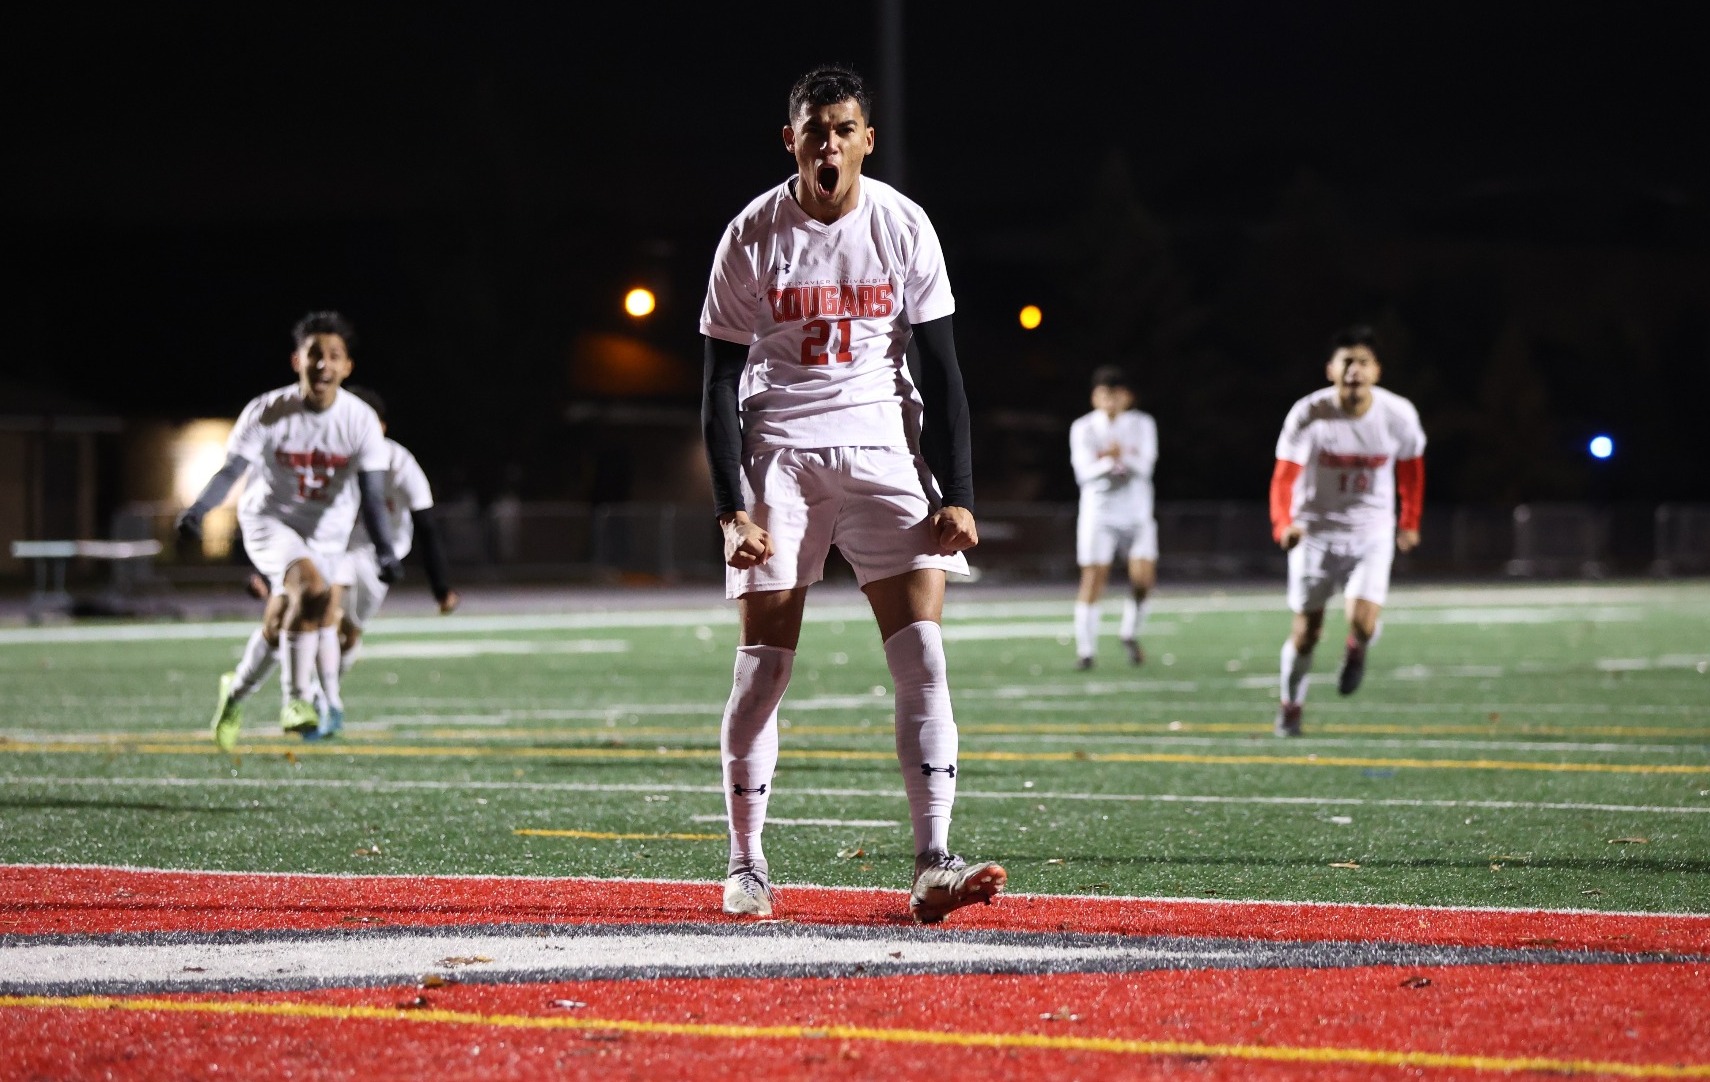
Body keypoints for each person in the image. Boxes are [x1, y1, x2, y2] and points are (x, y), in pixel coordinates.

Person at [699, 63, 1005, 923]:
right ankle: (747, 862)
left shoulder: (904, 224)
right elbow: (718, 382)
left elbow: (942, 371)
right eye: (814, 130)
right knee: (764, 668)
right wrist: (731, 510)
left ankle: (933, 862)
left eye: (843, 130)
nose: (828, 144)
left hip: (882, 448)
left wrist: (958, 491)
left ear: (867, 139)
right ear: (789, 140)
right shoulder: (751, 234)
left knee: (924, 656)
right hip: (782, 453)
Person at [176, 311, 401, 752]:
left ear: (347, 366)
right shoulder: (268, 411)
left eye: (333, 355)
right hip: (270, 522)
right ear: (297, 360)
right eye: (314, 354)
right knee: (312, 590)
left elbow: (373, 496)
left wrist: (386, 551)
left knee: (282, 619)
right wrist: (200, 509)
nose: (323, 364)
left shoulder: (360, 421)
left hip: (327, 535)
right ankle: (297, 701)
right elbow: (232, 470)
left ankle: (234, 693)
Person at [228, 383, 461, 739]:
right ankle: (303, 700)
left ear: (380, 426)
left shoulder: (400, 464)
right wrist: (265, 569)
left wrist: (440, 587)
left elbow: (426, 526)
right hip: (329, 549)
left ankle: (320, 699)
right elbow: (282, 516)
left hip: (375, 557)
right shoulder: (325, 457)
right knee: (302, 611)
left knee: (348, 636)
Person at [1269, 324, 1426, 736]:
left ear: (1377, 371)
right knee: (1306, 634)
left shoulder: (1398, 414)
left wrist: (1409, 522)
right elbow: (1284, 476)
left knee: (1364, 623)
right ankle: (1290, 705)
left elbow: (1412, 472)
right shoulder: (1309, 414)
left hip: (1371, 532)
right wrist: (1283, 523)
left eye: (1363, 362)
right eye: (1347, 361)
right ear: (1330, 369)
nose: (1355, 369)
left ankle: (1356, 650)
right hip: (1315, 533)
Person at [1069, 365, 1158, 670]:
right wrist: (1112, 463)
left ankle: (1129, 633)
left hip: (1137, 514)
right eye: (1104, 394)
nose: (1110, 400)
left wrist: (1118, 459)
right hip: (1099, 514)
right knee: (1094, 578)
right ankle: (1086, 651)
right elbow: (1083, 473)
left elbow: (1146, 467)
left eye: (1116, 394)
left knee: (1143, 580)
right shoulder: (1083, 427)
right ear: (1095, 397)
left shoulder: (1142, 424)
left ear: (1128, 397)